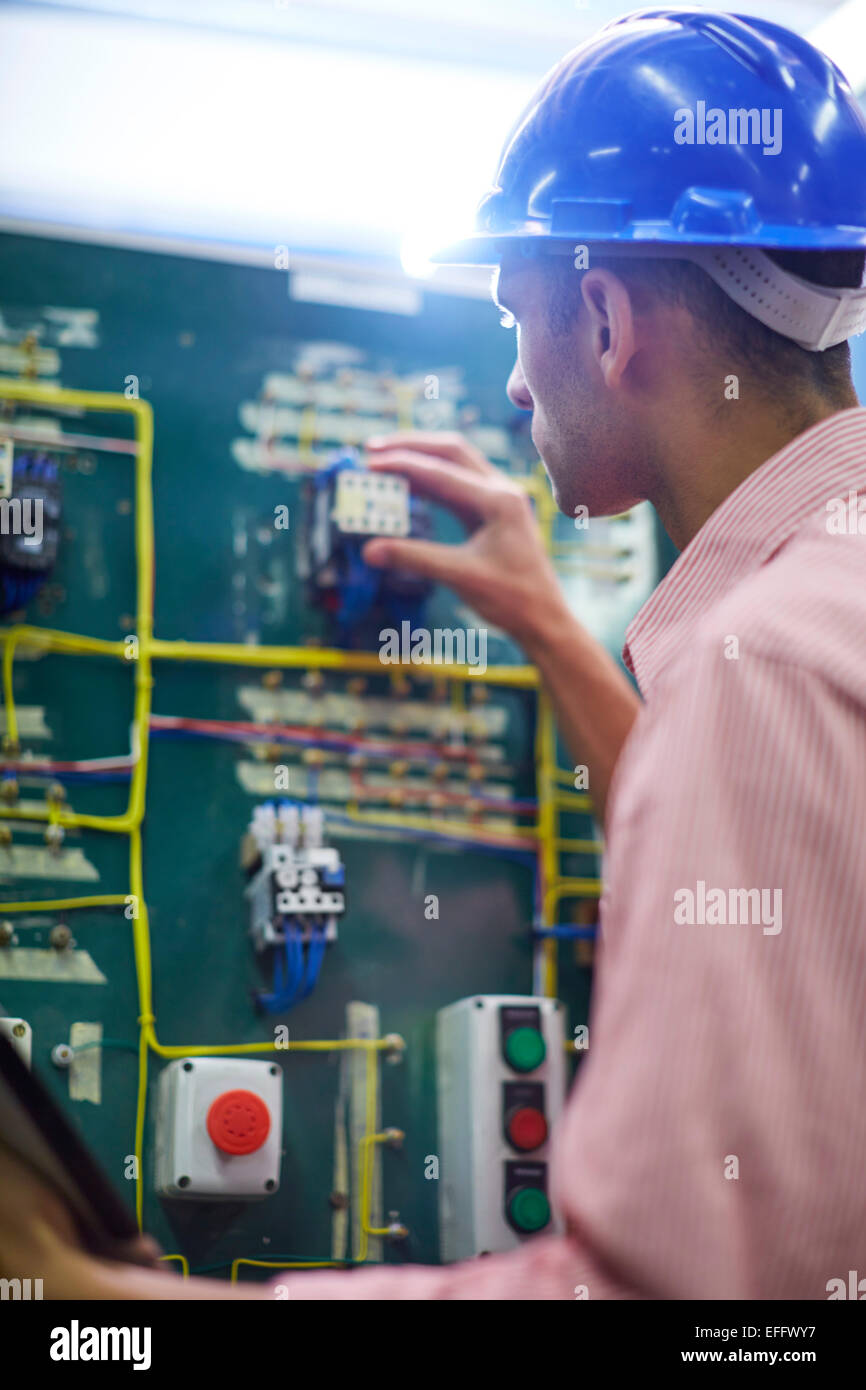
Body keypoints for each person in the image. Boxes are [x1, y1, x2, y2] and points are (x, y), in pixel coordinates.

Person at [5, 9, 866, 1301]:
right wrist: (546, 627)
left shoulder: (767, 666)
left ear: (604, 318)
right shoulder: (818, 619)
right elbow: (764, 881)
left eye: (513, 315)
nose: (513, 384)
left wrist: (118, 1310)